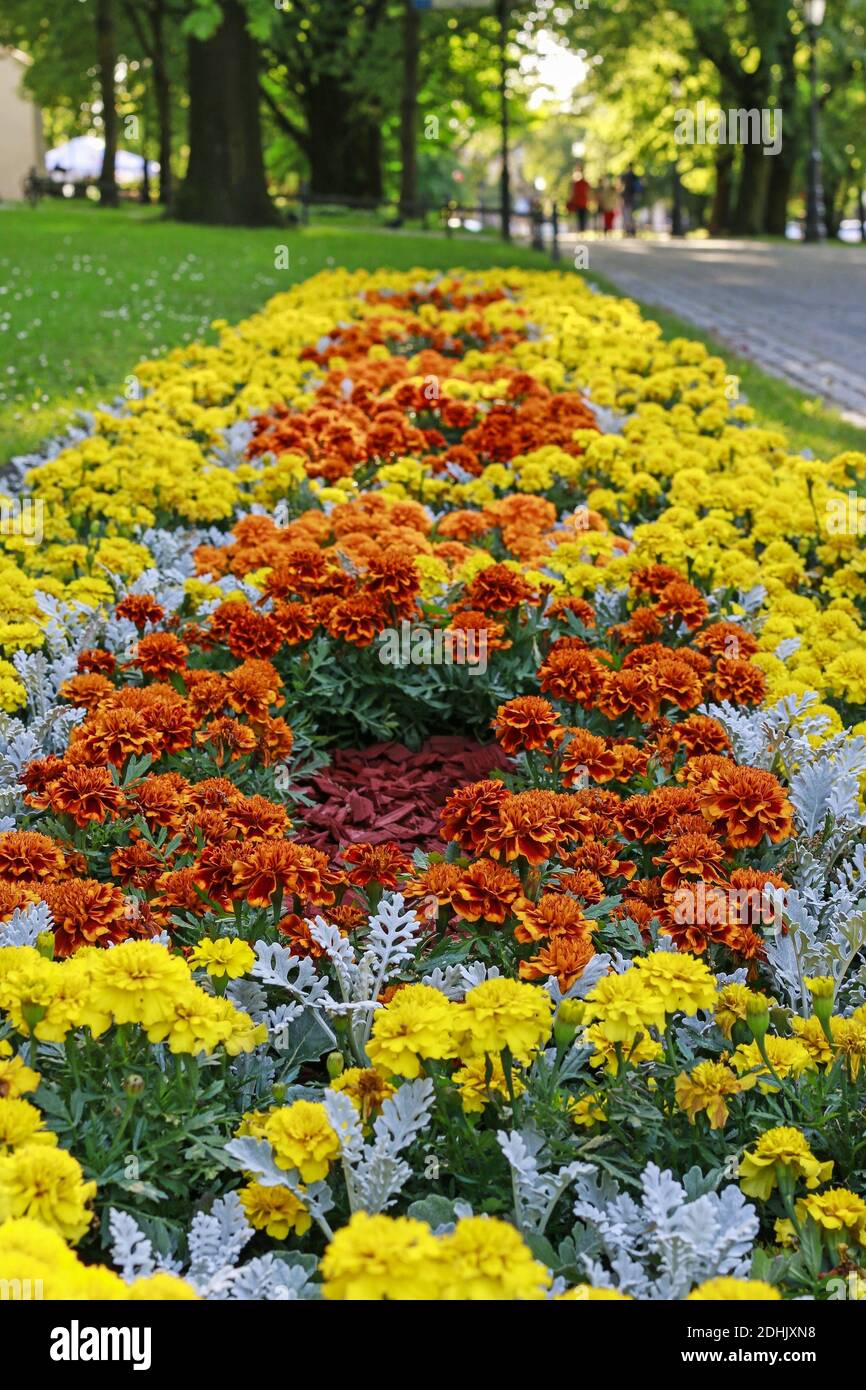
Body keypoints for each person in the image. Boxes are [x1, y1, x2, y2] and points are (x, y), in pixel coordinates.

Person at [566, 164, 591, 234]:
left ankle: (581, 230)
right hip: (580, 202)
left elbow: (572, 193)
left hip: (581, 202)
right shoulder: (578, 183)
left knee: (581, 217)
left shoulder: (580, 183)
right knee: (581, 217)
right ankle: (581, 229)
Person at [621, 164, 643, 237]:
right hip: (631, 197)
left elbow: (621, 187)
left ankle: (628, 230)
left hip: (627, 198)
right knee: (631, 214)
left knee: (628, 214)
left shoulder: (625, 176)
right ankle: (631, 230)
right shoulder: (635, 176)